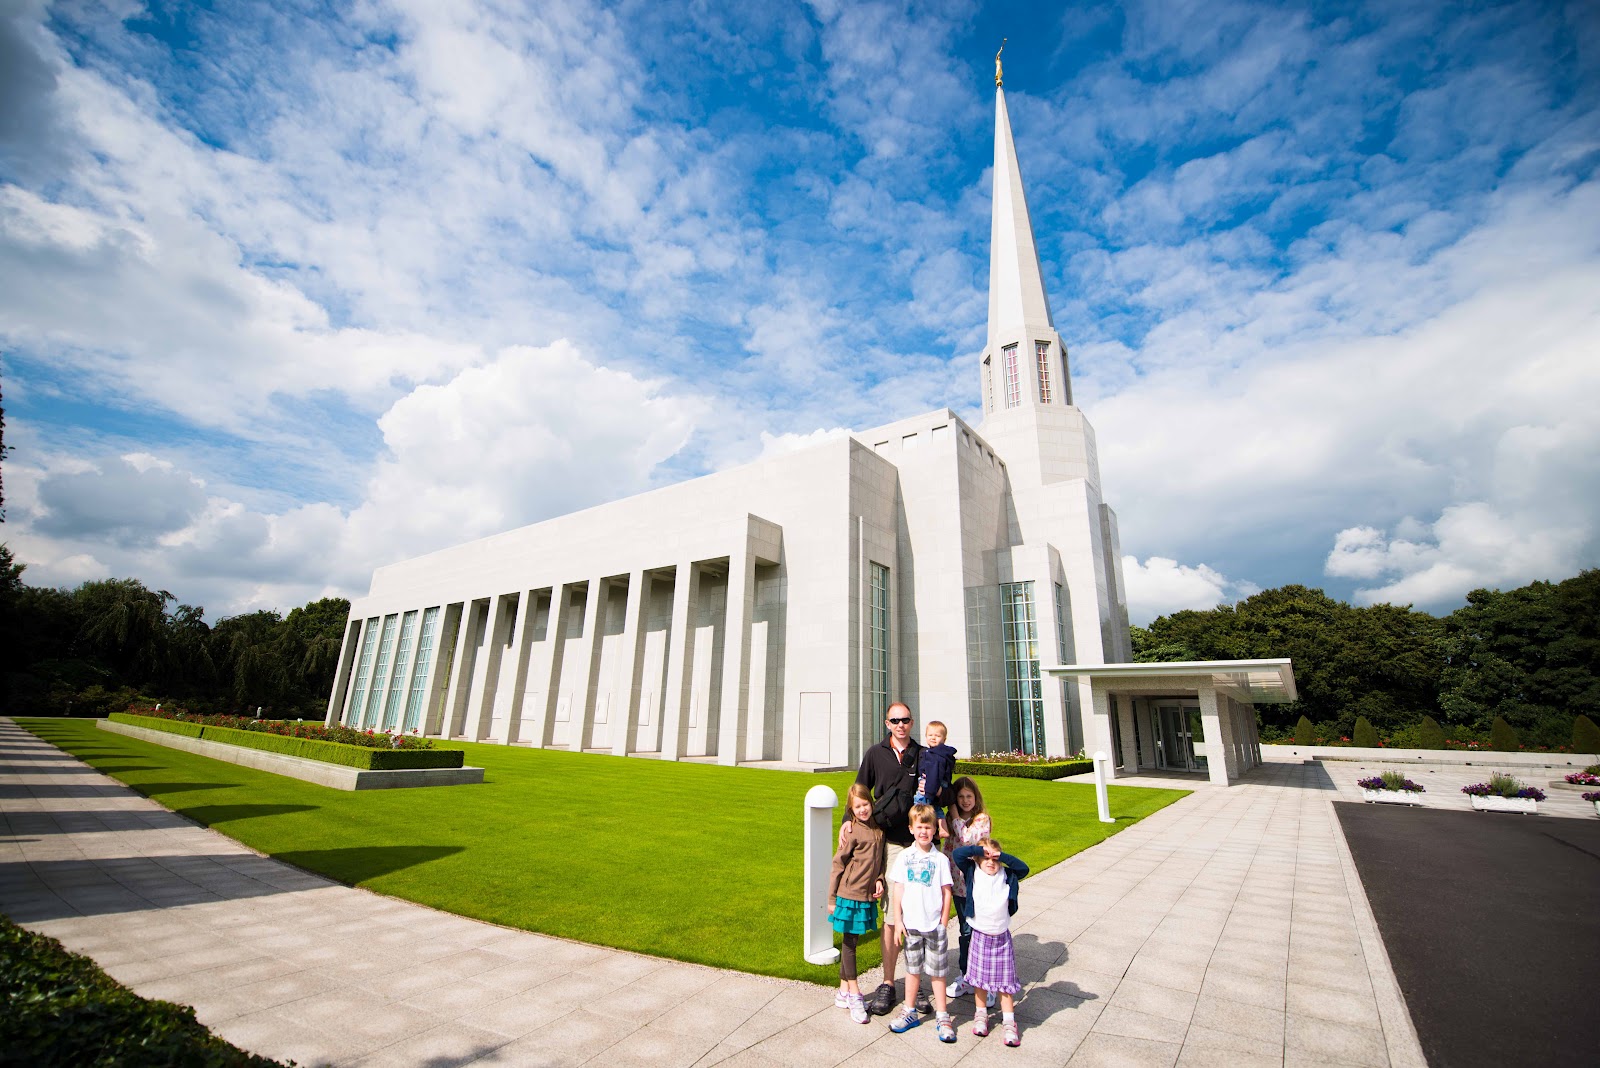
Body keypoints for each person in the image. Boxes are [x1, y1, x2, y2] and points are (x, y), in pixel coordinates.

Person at [854, 701, 922, 1016]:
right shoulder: (875, 753)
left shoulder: (923, 755)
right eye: (895, 720)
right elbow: (860, 789)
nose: (900, 724)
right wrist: (848, 820)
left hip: (920, 845)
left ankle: (914, 982)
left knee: (919, 915)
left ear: (911, 722)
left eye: (905, 719)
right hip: (891, 844)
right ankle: (888, 983)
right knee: (892, 915)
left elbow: (938, 793)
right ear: (887, 723)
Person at [885, 804, 957, 1043]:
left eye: (928, 827)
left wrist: (943, 922)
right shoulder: (905, 857)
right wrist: (898, 921)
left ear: (935, 830)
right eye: (919, 827)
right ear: (911, 829)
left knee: (937, 973)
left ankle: (943, 1015)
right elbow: (898, 889)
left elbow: (947, 892)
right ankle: (909, 1010)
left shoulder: (940, 860)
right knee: (912, 970)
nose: (924, 832)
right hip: (911, 924)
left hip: (933, 925)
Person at [952, 837, 1030, 1048]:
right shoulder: (973, 871)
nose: (990, 862)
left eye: (994, 859)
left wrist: (1001, 857)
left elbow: (1024, 868)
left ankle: (1009, 1022)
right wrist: (980, 850)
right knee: (979, 981)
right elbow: (958, 854)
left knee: (1005, 984)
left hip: (1001, 937)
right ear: (978, 859)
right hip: (980, 935)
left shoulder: (1007, 875)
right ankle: (980, 1015)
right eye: (986, 858)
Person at [828, 783, 885, 1024]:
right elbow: (838, 864)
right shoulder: (850, 831)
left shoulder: (879, 831)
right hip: (849, 894)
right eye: (857, 806)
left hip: (866, 896)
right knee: (850, 943)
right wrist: (831, 899)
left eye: (865, 804)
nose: (863, 810)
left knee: (853, 941)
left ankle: (843, 992)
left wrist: (880, 879)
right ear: (850, 809)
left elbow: (880, 861)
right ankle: (854, 993)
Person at [942, 776, 990, 999]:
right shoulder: (952, 823)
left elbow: (966, 840)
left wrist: (952, 812)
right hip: (958, 888)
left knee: (979, 931)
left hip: (976, 886)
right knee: (964, 930)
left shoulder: (981, 820)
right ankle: (966, 974)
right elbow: (948, 851)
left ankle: (985, 979)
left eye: (968, 796)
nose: (964, 801)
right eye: (959, 797)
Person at [913, 720, 958, 838]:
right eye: (930, 735)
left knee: (920, 807)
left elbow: (934, 773)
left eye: (937, 736)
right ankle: (942, 829)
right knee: (936, 807)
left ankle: (922, 829)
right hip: (937, 783)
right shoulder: (939, 754)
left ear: (944, 739)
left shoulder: (935, 756)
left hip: (931, 783)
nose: (933, 738)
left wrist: (929, 790)